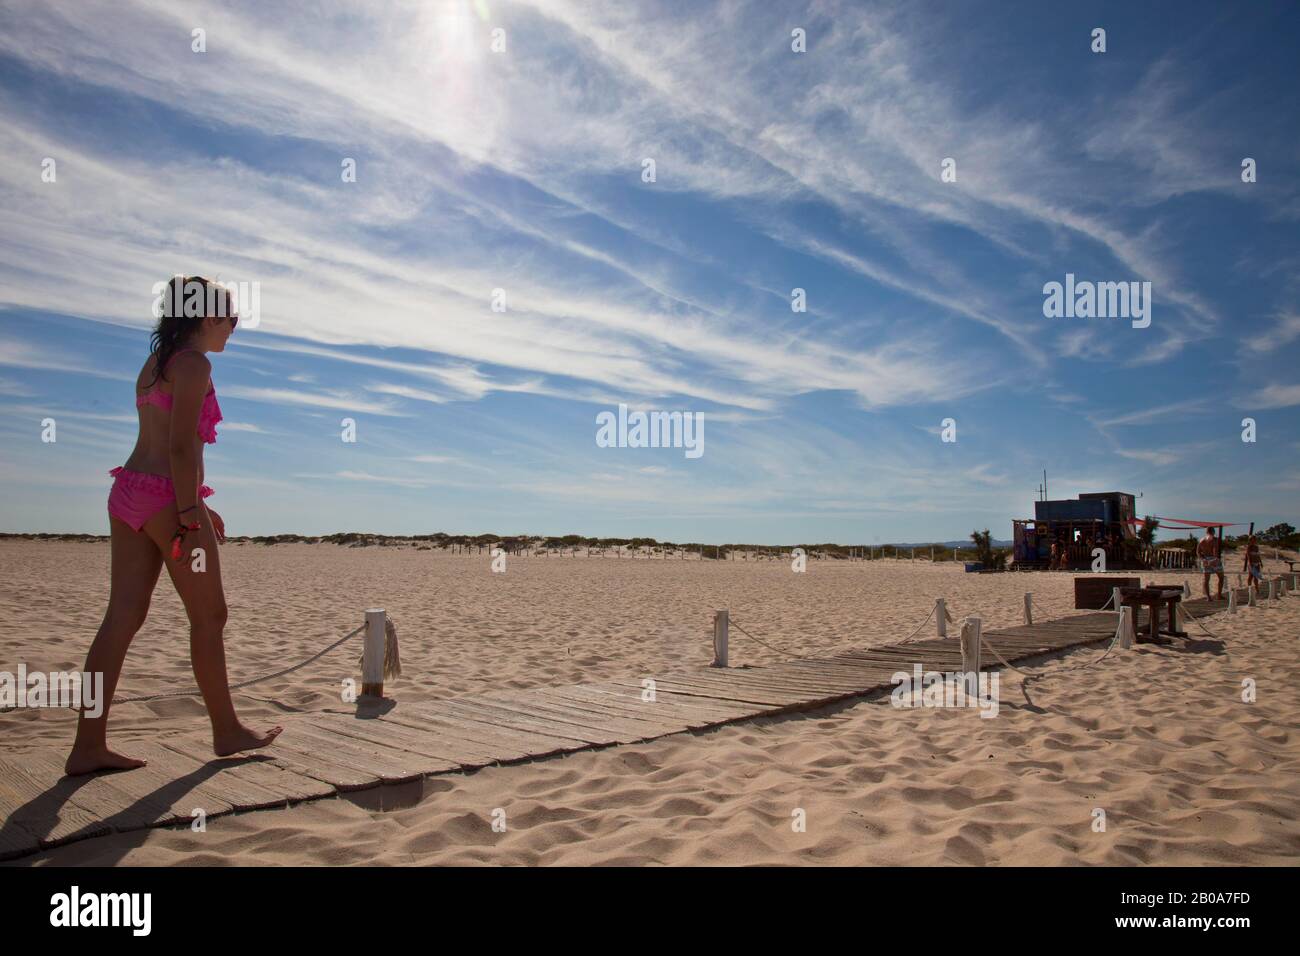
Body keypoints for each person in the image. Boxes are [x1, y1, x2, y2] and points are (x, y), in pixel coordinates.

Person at [65, 276, 281, 775]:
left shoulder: (155, 364)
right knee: (210, 617)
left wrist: (200, 502)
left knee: (120, 618)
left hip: (129, 491)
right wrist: (188, 515)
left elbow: (164, 441)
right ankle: (226, 730)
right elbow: (181, 447)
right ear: (207, 317)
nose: (234, 328)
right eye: (231, 319)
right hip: (168, 499)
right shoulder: (195, 364)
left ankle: (87, 746)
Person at [1196, 527, 1225, 601]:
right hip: (1214, 559)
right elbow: (1215, 549)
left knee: (1206, 580)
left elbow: (1198, 552)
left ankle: (1208, 597)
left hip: (1206, 559)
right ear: (1213, 531)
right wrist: (1215, 559)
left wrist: (1203, 559)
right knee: (1221, 577)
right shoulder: (1215, 539)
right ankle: (1219, 595)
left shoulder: (1201, 540)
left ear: (1206, 532)